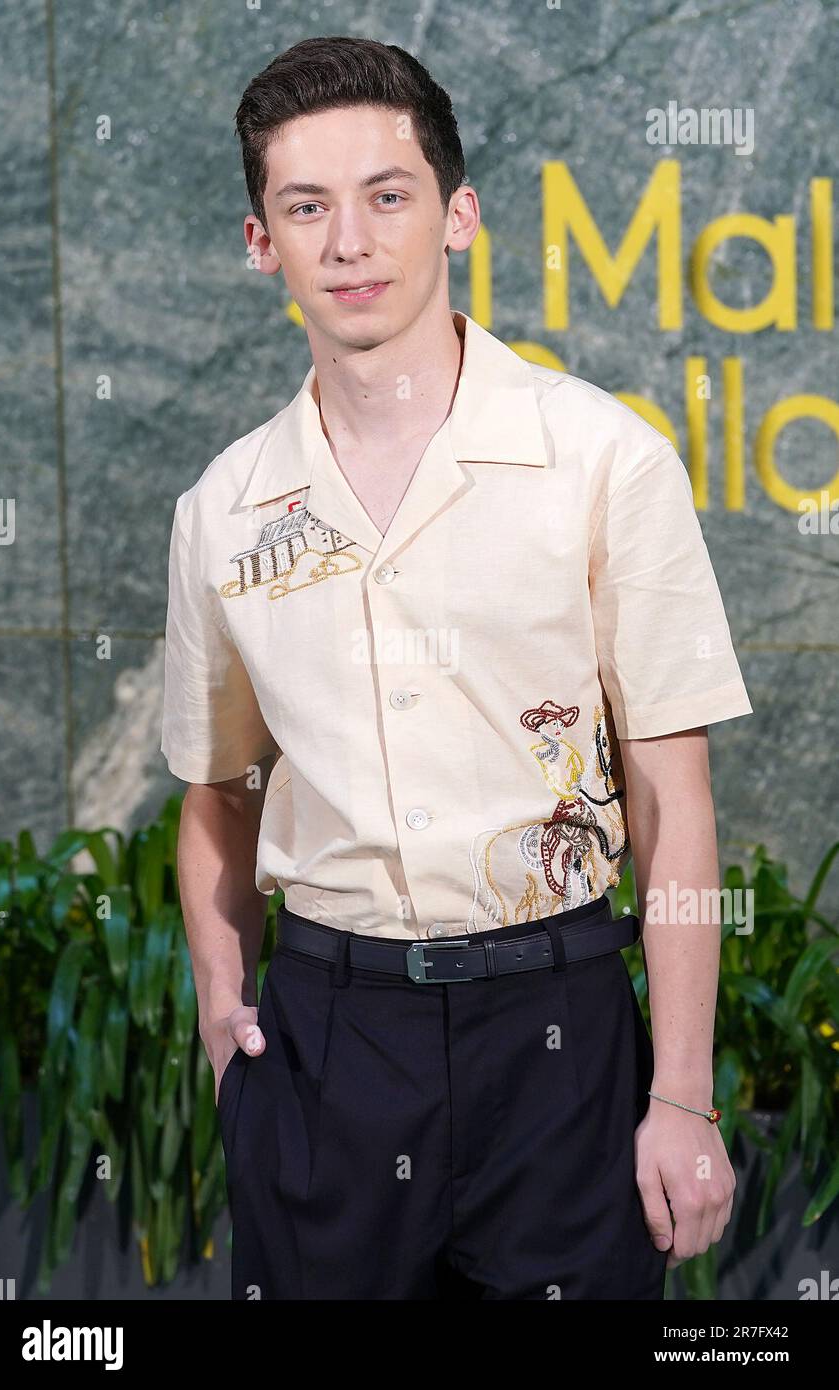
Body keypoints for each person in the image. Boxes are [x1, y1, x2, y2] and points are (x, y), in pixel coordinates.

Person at [160, 35, 752, 1301]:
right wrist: (225, 1017)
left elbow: (674, 798)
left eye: (388, 194)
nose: (351, 241)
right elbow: (217, 788)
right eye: (306, 207)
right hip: (328, 1041)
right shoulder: (224, 509)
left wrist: (684, 1094)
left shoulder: (603, 459)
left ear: (459, 214)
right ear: (262, 242)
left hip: (560, 1031)